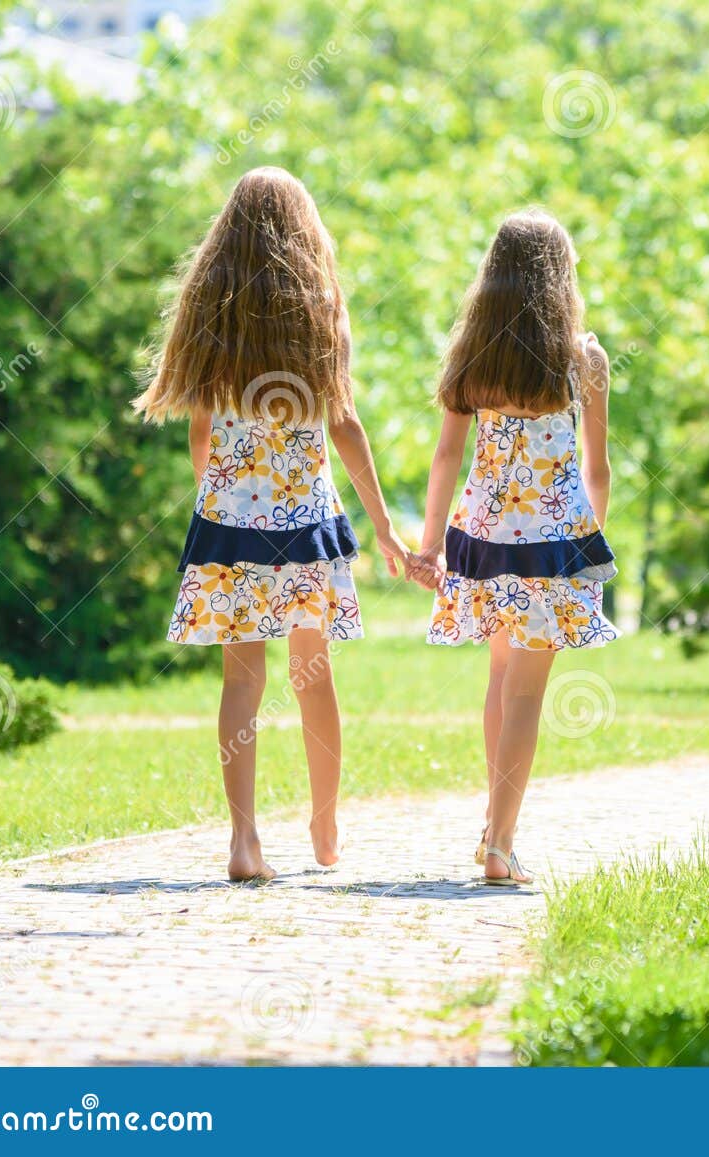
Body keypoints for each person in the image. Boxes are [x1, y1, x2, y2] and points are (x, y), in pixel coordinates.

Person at [134, 167, 410, 882]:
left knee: (241, 679)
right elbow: (344, 424)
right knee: (313, 674)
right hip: (305, 521)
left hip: (229, 521)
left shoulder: (209, 309)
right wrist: (382, 525)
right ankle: (324, 823)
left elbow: (200, 430)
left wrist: (216, 495)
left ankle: (244, 838)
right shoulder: (322, 307)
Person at [411, 208, 619, 886]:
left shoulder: (476, 354)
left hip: (485, 536)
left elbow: (447, 454)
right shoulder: (583, 358)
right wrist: (589, 546)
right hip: (551, 542)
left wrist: (430, 542)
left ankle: (494, 825)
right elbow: (598, 468)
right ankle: (500, 842)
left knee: (502, 680)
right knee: (526, 692)